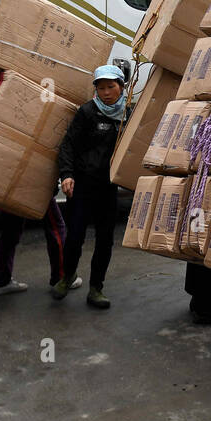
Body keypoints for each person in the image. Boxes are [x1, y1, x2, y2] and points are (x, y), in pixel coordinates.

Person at [54, 64, 128, 309]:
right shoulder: (87, 112)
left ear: (121, 86)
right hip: (83, 186)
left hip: (108, 188)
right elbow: (68, 146)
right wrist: (67, 175)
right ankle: (68, 276)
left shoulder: (128, 114)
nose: (106, 92)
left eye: (111, 87)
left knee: (105, 240)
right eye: (101, 87)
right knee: (74, 236)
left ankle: (96, 288)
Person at [0, 199, 68, 296]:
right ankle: (61, 278)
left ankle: (1, 280)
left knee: (11, 229)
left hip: (14, 189)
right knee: (55, 226)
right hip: (37, 189)